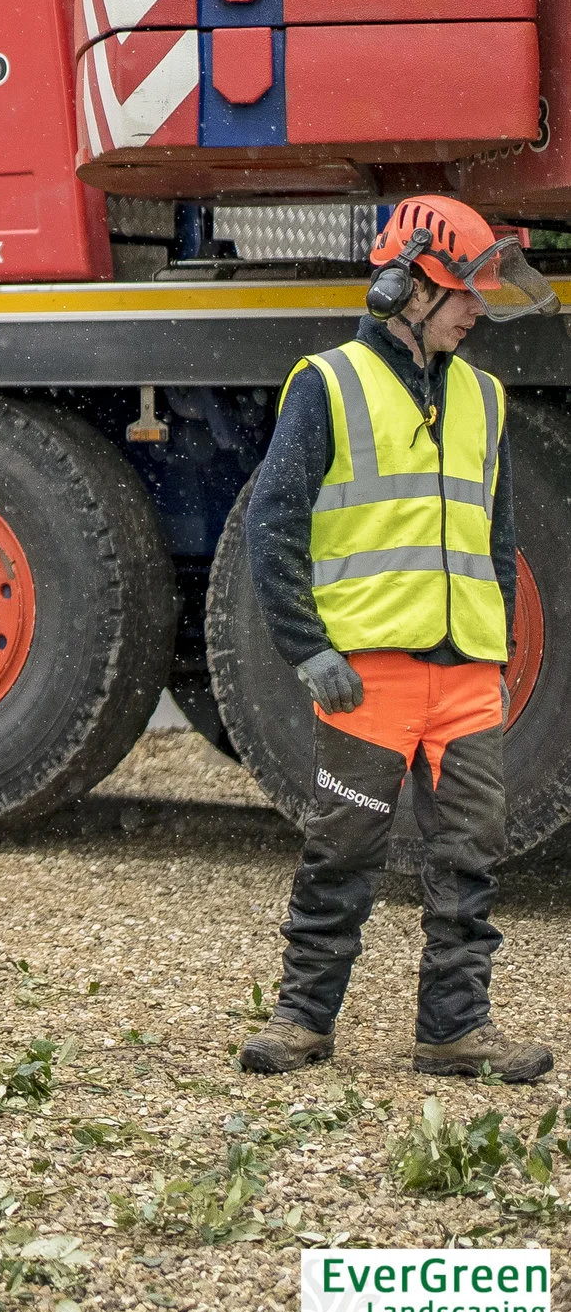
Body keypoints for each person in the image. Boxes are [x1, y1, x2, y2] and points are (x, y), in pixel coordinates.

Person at [238, 196, 556, 1084]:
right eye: (463, 292)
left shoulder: (485, 398)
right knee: (341, 854)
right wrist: (307, 648)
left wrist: (492, 659)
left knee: (470, 861)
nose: (477, 310)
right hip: (365, 680)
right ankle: (302, 1022)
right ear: (404, 286)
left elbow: (496, 544)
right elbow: (274, 524)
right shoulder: (329, 382)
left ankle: (453, 1031)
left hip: (465, 684)